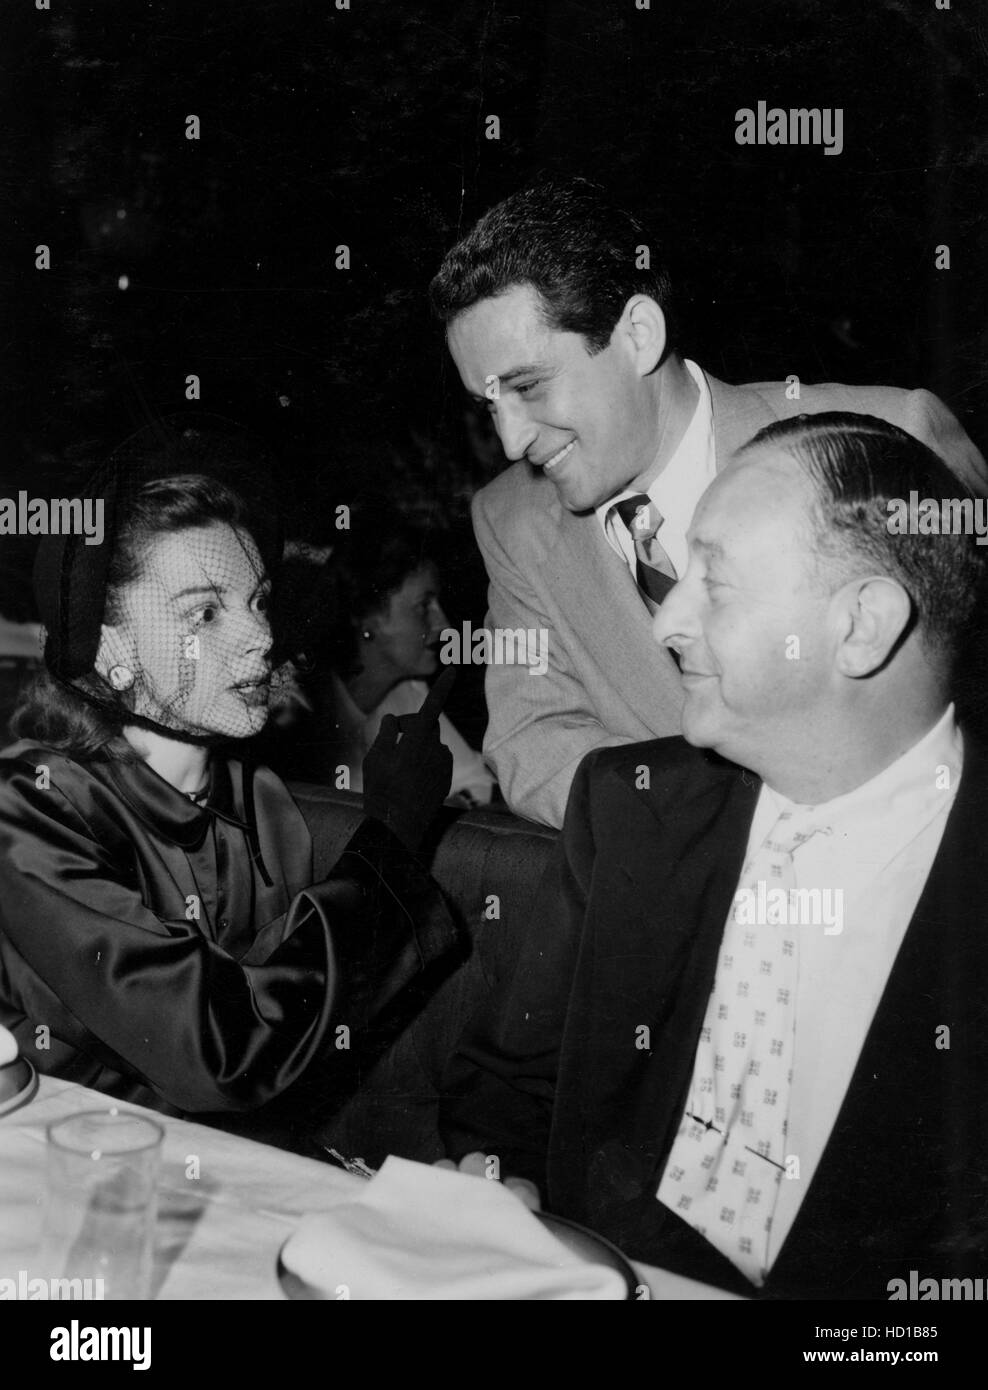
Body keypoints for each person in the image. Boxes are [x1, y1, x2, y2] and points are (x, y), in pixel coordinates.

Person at [438, 413, 988, 1299]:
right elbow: (507, 1087)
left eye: (715, 584)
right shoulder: (630, 806)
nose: (666, 622)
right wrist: (506, 1189)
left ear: (863, 626)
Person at [430, 177, 988, 827]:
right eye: (489, 405)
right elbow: (530, 741)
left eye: (528, 386)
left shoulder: (895, 438)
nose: (511, 441)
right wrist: (721, 830)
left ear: (639, 334)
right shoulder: (510, 520)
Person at [0, 430, 460, 1131]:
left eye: (259, 602)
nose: (261, 638)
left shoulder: (258, 802)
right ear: (111, 648)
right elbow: (218, 1050)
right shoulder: (32, 809)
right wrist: (390, 837)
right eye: (206, 612)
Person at [267, 523, 495, 808]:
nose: (443, 625)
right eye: (424, 606)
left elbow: (475, 782)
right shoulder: (296, 716)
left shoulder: (408, 693)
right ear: (367, 618)